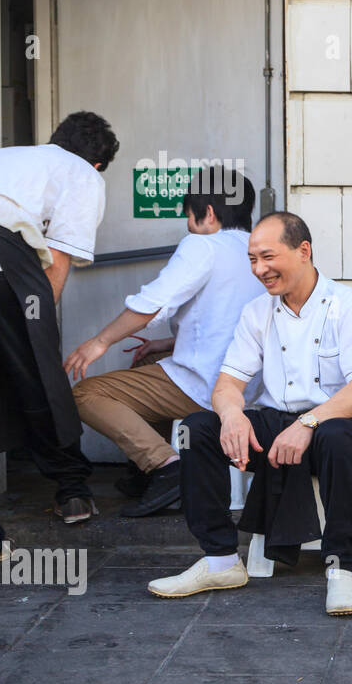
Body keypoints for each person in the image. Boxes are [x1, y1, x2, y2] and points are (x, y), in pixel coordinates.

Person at [147, 212, 352, 616]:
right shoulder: (257, 312)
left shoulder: (348, 306)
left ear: (303, 251)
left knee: (338, 436)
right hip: (277, 427)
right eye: (252, 260)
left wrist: (308, 423)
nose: (259, 270)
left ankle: (342, 567)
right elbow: (226, 385)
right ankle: (221, 559)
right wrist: (231, 416)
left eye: (268, 257)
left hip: (338, 425)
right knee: (197, 429)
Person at [65, 165, 264, 517]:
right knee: (144, 363)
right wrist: (167, 344)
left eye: (189, 215)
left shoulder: (202, 246)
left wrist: (100, 342)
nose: (187, 224)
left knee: (85, 393)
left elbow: (150, 305)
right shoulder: (260, 252)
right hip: (252, 387)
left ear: (209, 214)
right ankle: (144, 472)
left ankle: (167, 467)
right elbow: (230, 321)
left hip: (208, 387)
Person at [0, 111, 119, 547]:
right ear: (97, 163)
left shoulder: (2, 158)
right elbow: (58, 258)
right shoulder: (82, 174)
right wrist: (38, 326)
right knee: (40, 377)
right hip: (1, 268)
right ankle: (72, 489)